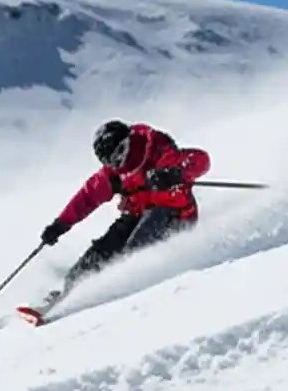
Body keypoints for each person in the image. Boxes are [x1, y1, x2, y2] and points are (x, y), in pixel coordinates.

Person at [37, 120, 211, 297]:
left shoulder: (157, 149)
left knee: (135, 247)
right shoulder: (114, 174)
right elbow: (87, 198)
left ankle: (125, 284)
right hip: (137, 213)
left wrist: (174, 173)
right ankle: (71, 287)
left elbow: (201, 160)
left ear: (130, 140)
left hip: (175, 214)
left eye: (121, 152)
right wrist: (61, 224)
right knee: (103, 248)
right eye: (110, 161)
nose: (118, 162)